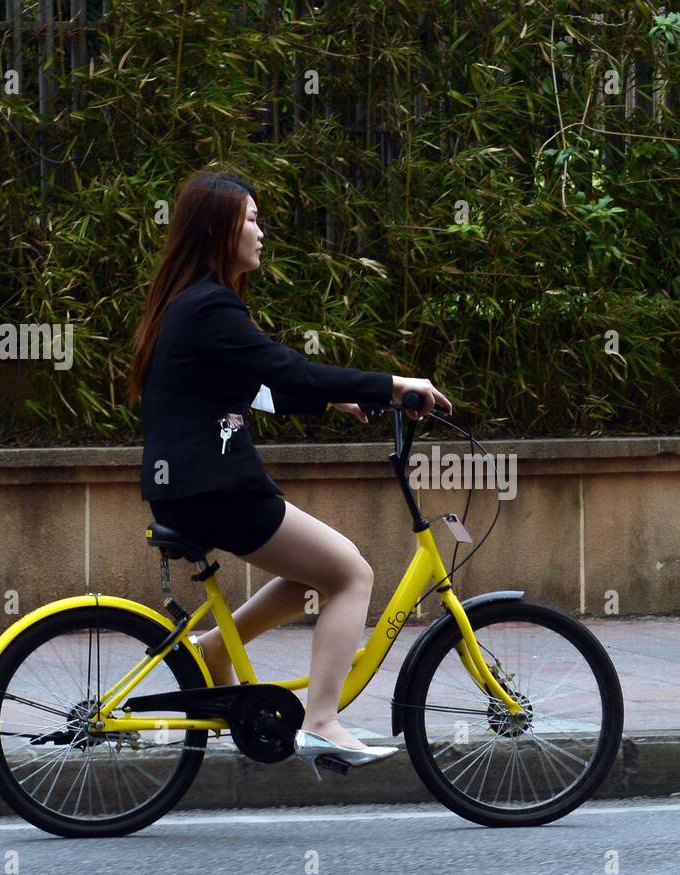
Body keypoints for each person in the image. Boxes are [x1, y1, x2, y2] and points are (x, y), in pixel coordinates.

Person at [125, 168, 452, 776]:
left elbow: (256, 384)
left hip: (192, 487)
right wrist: (396, 384)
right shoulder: (212, 306)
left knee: (313, 579)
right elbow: (288, 371)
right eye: (250, 219)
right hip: (216, 488)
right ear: (219, 230)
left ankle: (215, 649)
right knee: (352, 573)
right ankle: (322, 722)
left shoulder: (190, 301)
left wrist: (335, 397)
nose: (260, 231)